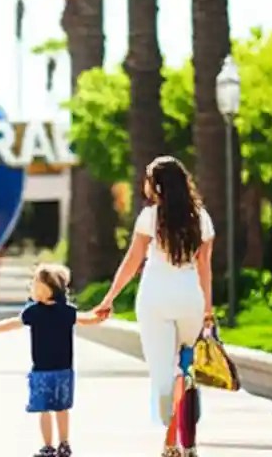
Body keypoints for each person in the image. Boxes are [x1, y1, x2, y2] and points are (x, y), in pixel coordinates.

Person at [93, 156, 214, 457]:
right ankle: (183, 441)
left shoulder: (150, 217)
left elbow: (132, 261)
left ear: (157, 185)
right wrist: (208, 311)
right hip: (190, 300)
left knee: (163, 378)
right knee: (185, 371)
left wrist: (109, 298)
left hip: (154, 299)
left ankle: (172, 439)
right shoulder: (201, 218)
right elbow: (204, 268)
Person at [0, 263, 105, 457]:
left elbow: (86, 319)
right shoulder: (37, 311)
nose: (32, 287)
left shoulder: (60, 311)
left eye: (35, 283)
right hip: (52, 370)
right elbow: (12, 323)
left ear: (48, 288)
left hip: (52, 371)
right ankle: (54, 445)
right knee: (53, 409)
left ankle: (59, 444)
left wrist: (100, 313)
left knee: (54, 409)